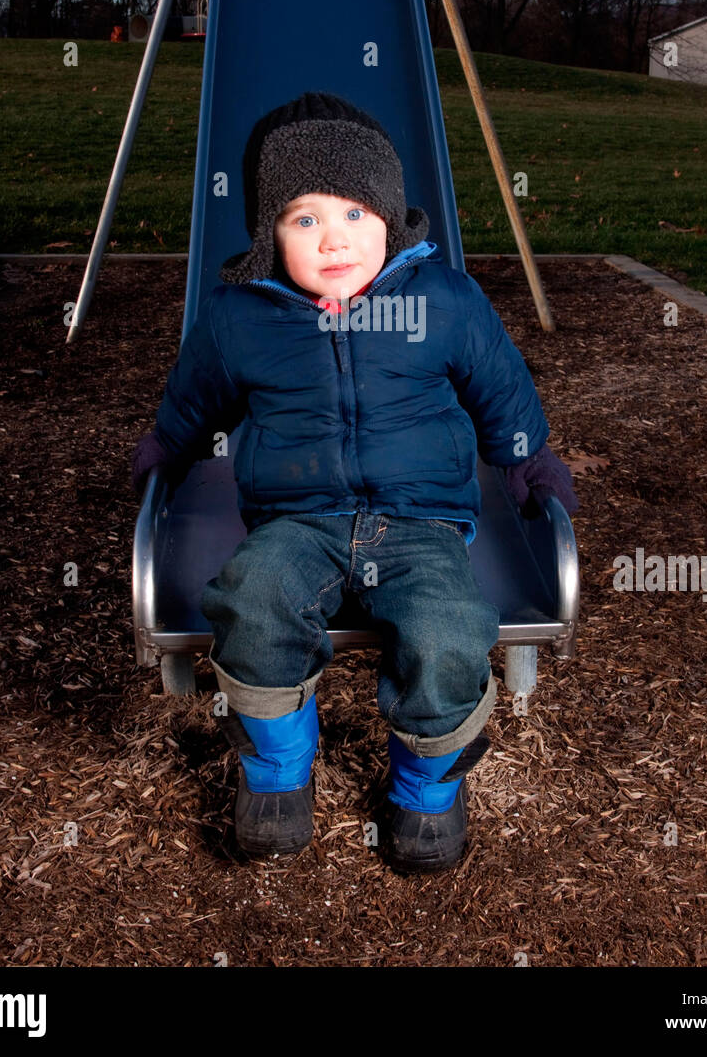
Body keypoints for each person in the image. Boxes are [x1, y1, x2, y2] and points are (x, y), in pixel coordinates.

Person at [131, 92, 579, 873]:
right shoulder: (241, 317)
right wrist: (164, 452)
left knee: (447, 631)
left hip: (418, 521)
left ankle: (426, 789)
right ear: (270, 235)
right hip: (295, 520)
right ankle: (275, 775)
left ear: (391, 223)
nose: (332, 240)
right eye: (304, 220)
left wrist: (525, 462)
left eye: (354, 215)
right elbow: (194, 397)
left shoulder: (444, 301)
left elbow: (501, 390)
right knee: (252, 601)